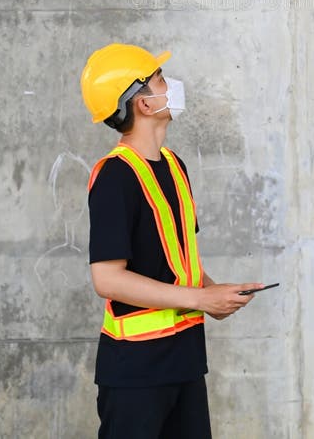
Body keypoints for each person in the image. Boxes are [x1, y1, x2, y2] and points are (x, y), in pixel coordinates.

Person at [80, 43, 264, 438]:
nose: (170, 85)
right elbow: (107, 280)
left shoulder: (174, 166)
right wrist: (200, 299)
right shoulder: (114, 177)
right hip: (136, 372)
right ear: (143, 104)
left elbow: (179, 261)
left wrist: (217, 293)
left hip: (185, 361)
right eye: (159, 79)